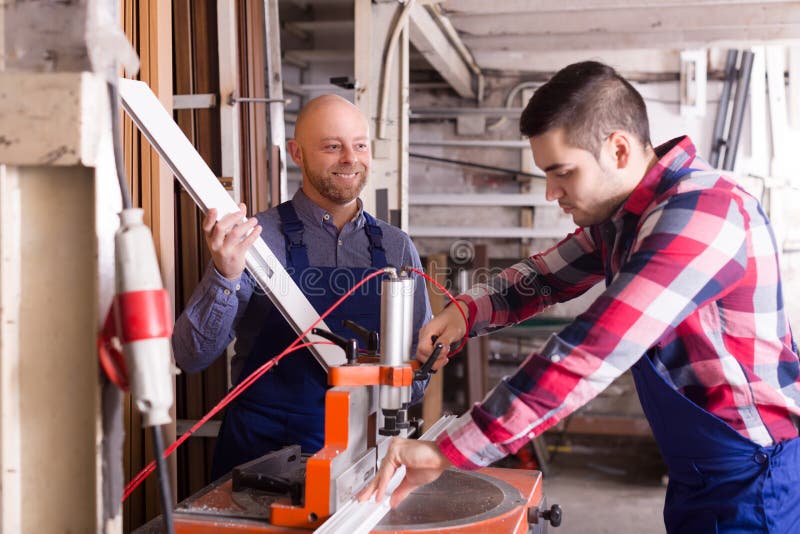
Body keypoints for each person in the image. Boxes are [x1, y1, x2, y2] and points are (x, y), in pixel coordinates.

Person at [359, 61, 800, 533]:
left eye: (562, 173)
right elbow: (544, 276)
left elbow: (592, 351)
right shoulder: (625, 218)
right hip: (700, 471)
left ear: (619, 149)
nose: (552, 193)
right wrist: (466, 312)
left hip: (754, 477)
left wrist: (448, 449)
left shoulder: (704, 213)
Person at [173, 94, 432, 480]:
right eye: (332, 146)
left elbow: (418, 359)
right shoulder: (256, 240)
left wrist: (390, 407)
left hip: (362, 455)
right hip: (260, 458)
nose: (350, 158)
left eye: (359, 145)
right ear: (296, 152)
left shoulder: (396, 247)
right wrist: (225, 275)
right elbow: (191, 355)